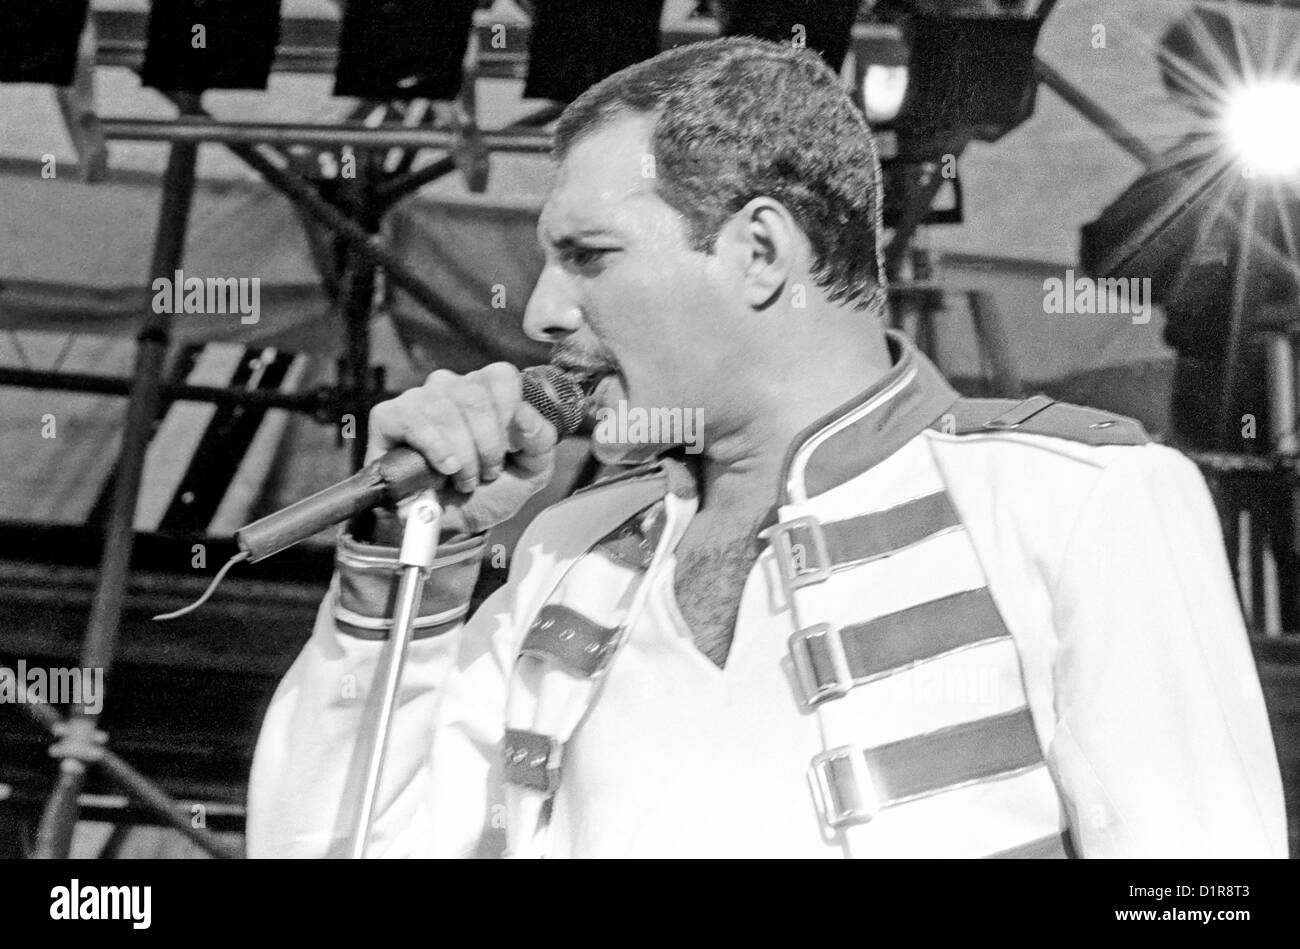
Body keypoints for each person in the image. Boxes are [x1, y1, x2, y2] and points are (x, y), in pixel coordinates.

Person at [248, 37, 1287, 858]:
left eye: (587, 257)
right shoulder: (564, 552)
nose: (542, 314)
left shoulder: (1075, 497)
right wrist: (408, 562)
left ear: (759, 251)